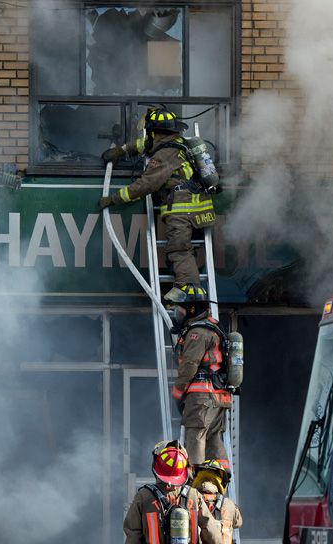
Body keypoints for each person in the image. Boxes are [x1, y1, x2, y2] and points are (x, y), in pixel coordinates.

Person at [99, 108, 216, 298]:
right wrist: (122, 150)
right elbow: (144, 144)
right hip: (201, 207)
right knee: (185, 249)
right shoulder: (180, 143)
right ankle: (185, 287)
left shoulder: (163, 155)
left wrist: (113, 199)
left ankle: (188, 292)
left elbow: (146, 185)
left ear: (154, 132)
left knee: (179, 249)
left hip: (182, 209)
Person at [168, 284, 232, 472]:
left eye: (180, 309)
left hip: (201, 398)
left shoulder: (197, 333)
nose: (177, 313)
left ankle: (195, 483)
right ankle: (221, 479)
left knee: (195, 439)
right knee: (213, 440)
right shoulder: (211, 327)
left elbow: (189, 366)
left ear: (192, 309)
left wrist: (177, 392)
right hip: (216, 397)